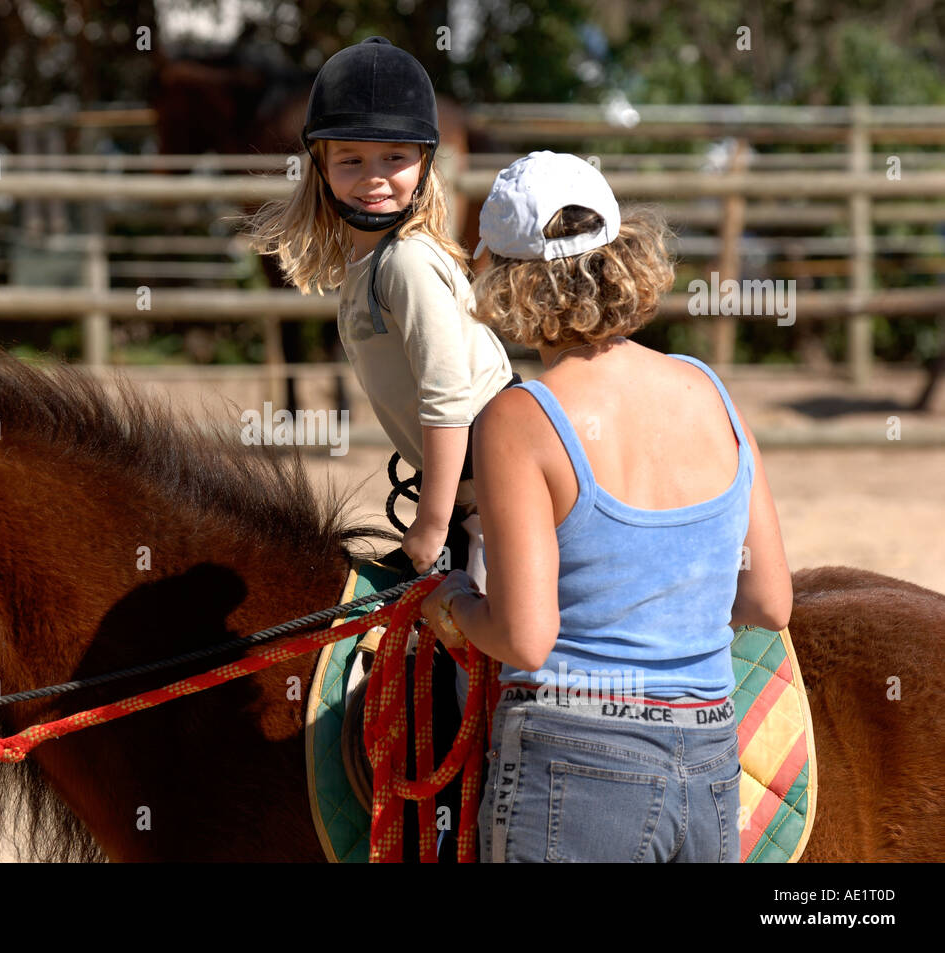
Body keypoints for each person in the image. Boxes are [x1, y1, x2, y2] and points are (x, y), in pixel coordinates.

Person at [421, 151, 793, 863]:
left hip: (574, 761)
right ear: (624, 254)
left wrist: (454, 603)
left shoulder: (521, 417)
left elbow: (525, 639)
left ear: (509, 280)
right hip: (711, 759)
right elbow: (771, 599)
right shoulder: (708, 389)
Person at [244, 36, 513, 588]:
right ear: (319, 167)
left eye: (394, 157)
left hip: (495, 491)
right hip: (474, 486)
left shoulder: (408, 264)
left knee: (483, 658)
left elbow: (446, 395)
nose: (373, 178)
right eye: (351, 160)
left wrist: (432, 521)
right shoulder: (373, 263)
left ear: (425, 163)